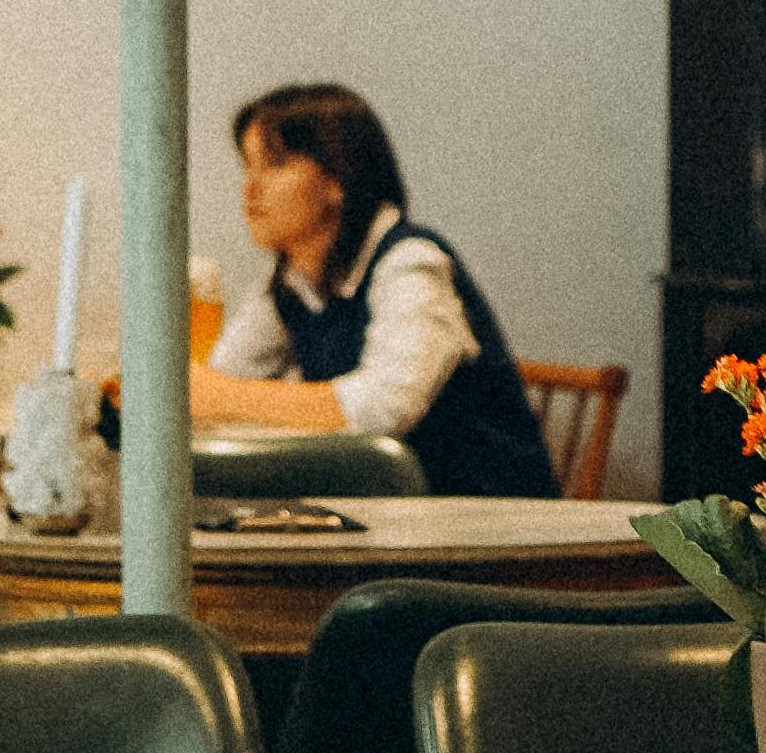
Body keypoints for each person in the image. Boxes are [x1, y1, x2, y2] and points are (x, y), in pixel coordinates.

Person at [197, 82, 556, 497]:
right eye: (247, 166)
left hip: (493, 525)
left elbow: (385, 408)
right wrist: (212, 393)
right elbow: (222, 381)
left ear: (338, 178)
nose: (250, 189)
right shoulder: (289, 286)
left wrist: (223, 396)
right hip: (396, 520)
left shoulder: (411, 262)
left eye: (274, 164)